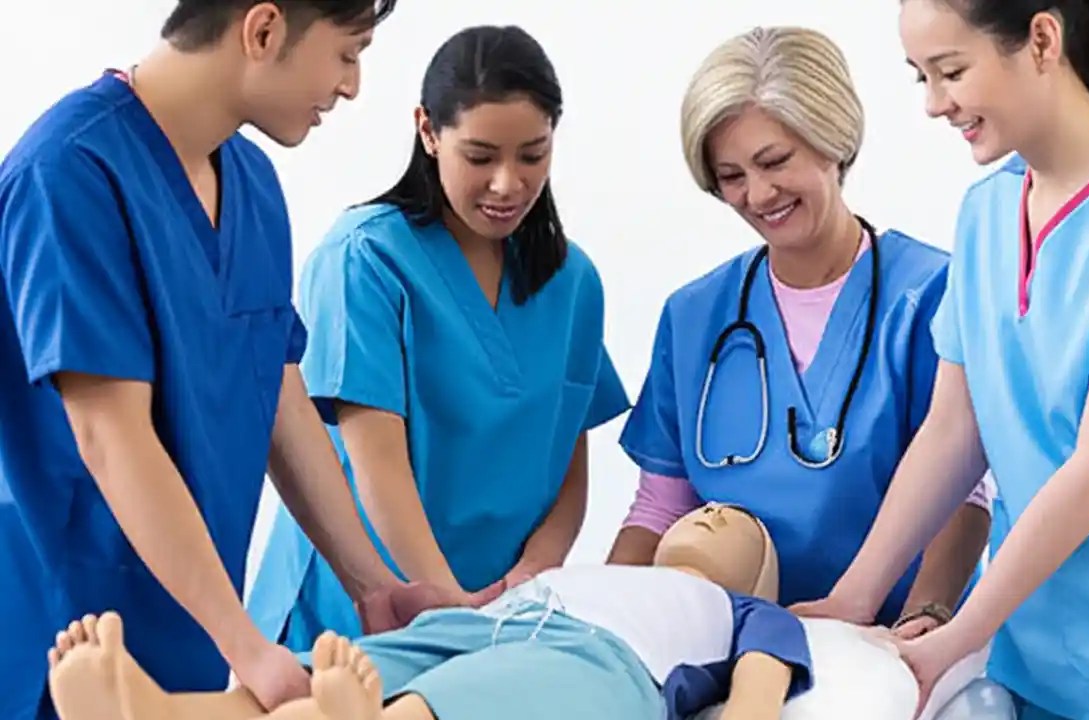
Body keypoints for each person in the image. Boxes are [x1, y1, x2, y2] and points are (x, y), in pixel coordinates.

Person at [794, 1, 1089, 718]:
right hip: (1042, 646)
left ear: (1043, 38)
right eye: (920, 77)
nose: (933, 104)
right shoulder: (986, 211)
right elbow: (954, 429)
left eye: (951, 71)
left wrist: (959, 635)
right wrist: (853, 596)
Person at [0, 2, 455, 718]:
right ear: (264, 29)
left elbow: (278, 397)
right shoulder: (68, 174)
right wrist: (246, 646)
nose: (353, 86)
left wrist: (372, 584)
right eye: (347, 52)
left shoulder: (253, 186)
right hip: (60, 639)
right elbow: (109, 436)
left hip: (187, 639)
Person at [247, 24, 630, 652]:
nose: (508, 183)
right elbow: (378, 468)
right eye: (480, 157)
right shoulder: (365, 258)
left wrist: (531, 577)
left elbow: (567, 468)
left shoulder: (572, 281)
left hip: (502, 614)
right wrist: (448, 605)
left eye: (532, 155)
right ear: (428, 131)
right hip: (360, 608)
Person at [606, 25, 992, 634]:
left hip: (891, 640)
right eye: (730, 176)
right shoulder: (694, 317)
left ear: (833, 141)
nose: (758, 194)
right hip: (730, 637)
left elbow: (964, 493)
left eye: (774, 161)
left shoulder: (932, 296)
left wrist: (924, 616)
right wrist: (604, 620)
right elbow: (660, 507)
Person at [49, 504, 815, 720]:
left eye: (737, 524)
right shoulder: (593, 571)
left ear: (759, 573)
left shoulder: (745, 611)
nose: (712, 511)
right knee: (323, 675)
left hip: (599, 665)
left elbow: (755, 698)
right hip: (491, 622)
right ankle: (159, 712)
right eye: (706, 507)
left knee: (451, 700)